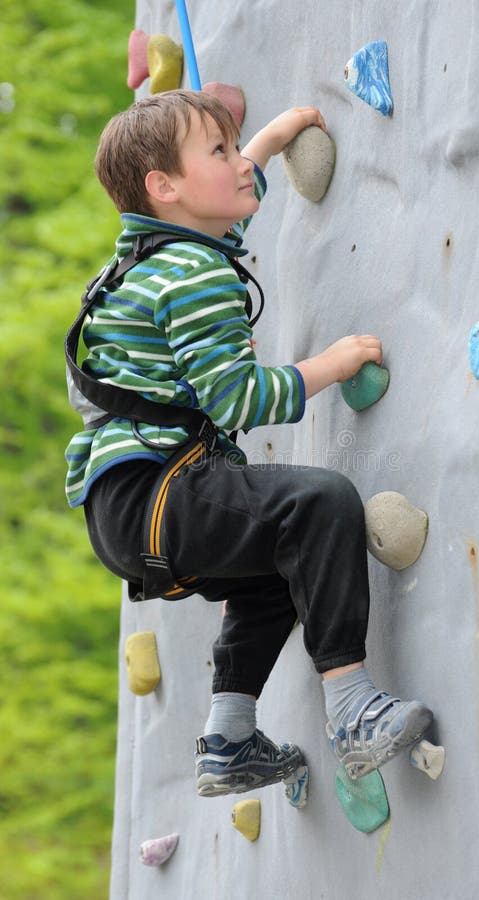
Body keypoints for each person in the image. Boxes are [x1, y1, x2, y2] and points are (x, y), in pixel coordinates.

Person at [65, 89, 433, 797]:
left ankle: (229, 739)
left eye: (237, 150)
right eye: (220, 151)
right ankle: (352, 709)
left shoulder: (146, 261)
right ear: (164, 187)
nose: (239, 164)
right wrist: (331, 364)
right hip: (161, 493)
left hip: (123, 514)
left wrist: (270, 137)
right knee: (319, 503)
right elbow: (237, 400)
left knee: (278, 570)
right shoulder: (193, 273)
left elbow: (225, 206)